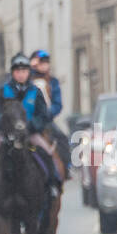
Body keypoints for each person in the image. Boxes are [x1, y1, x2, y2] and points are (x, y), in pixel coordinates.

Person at [0, 54, 63, 203]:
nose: (21, 74)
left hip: (30, 134)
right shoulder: (2, 91)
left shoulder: (35, 92)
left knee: (48, 153)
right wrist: (4, 126)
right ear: (12, 73)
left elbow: (42, 115)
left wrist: (31, 126)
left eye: (24, 71)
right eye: (17, 71)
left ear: (28, 73)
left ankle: (52, 186)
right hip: (6, 135)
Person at [29, 49, 73, 179]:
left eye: (46, 62)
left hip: (46, 120)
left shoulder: (53, 81)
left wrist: (48, 113)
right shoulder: (28, 79)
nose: (44, 65)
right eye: (41, 62)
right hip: (29, 119)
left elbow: (57, 104)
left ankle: (66, 168)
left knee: (62, 139)